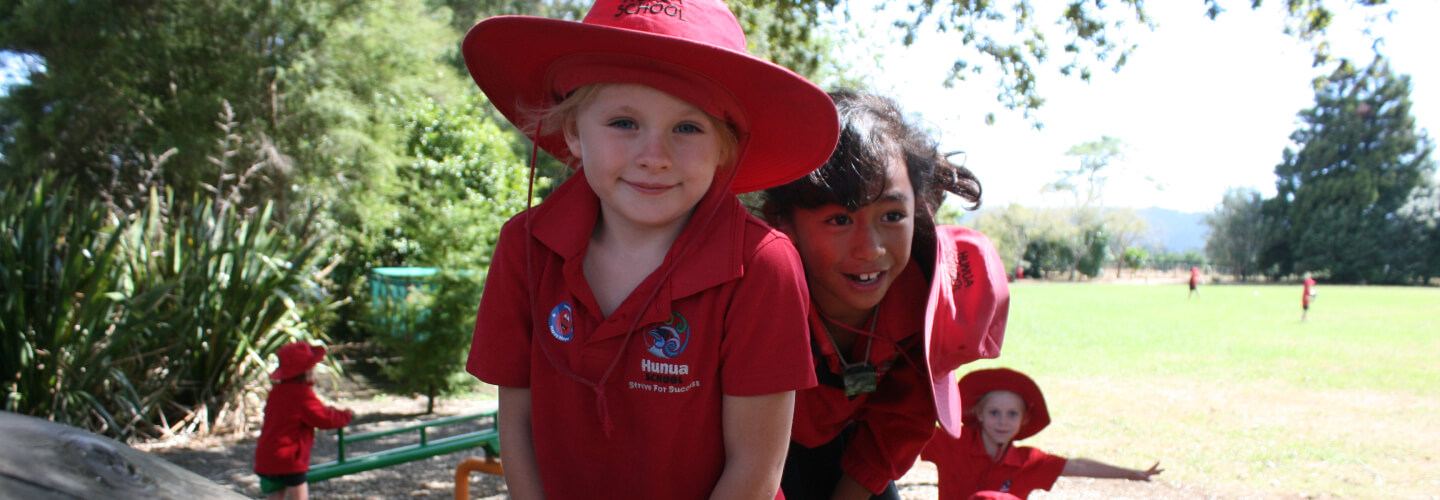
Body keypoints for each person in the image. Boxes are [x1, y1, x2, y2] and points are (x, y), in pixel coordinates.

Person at [462, 1, 841, 498]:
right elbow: (517, 419)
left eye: (687, 128)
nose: (654, 158)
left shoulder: (762, 265)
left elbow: (756, 468)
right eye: (623, 122)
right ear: (574, 131)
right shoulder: (525, 244)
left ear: (725, 147)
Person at [761, 90, 1010, 500]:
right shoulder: (755, 292)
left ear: (918, 209)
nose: (871, 248)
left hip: (849, 445)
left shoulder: (926, 302)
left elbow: (903, 418)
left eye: (892, 216)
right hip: (748, 442)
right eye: (839, 219)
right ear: (783, 223)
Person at [921, 368, 1163, 500]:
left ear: (1024, 420)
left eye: (1012, 414)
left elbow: (1077, 466)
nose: (1003, 421)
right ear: (979, 414)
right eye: (994, 413)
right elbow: (909, 430)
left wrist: (1131, 474)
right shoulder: (953, 444)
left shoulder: (1028, 461)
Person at [254, 342, 354, 500]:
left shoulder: (277, 392)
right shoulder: (301, 394)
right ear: (305, 371)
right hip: (289, 460)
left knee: (277, 494)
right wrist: (346, 416)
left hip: (267, 457)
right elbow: (324, 419)